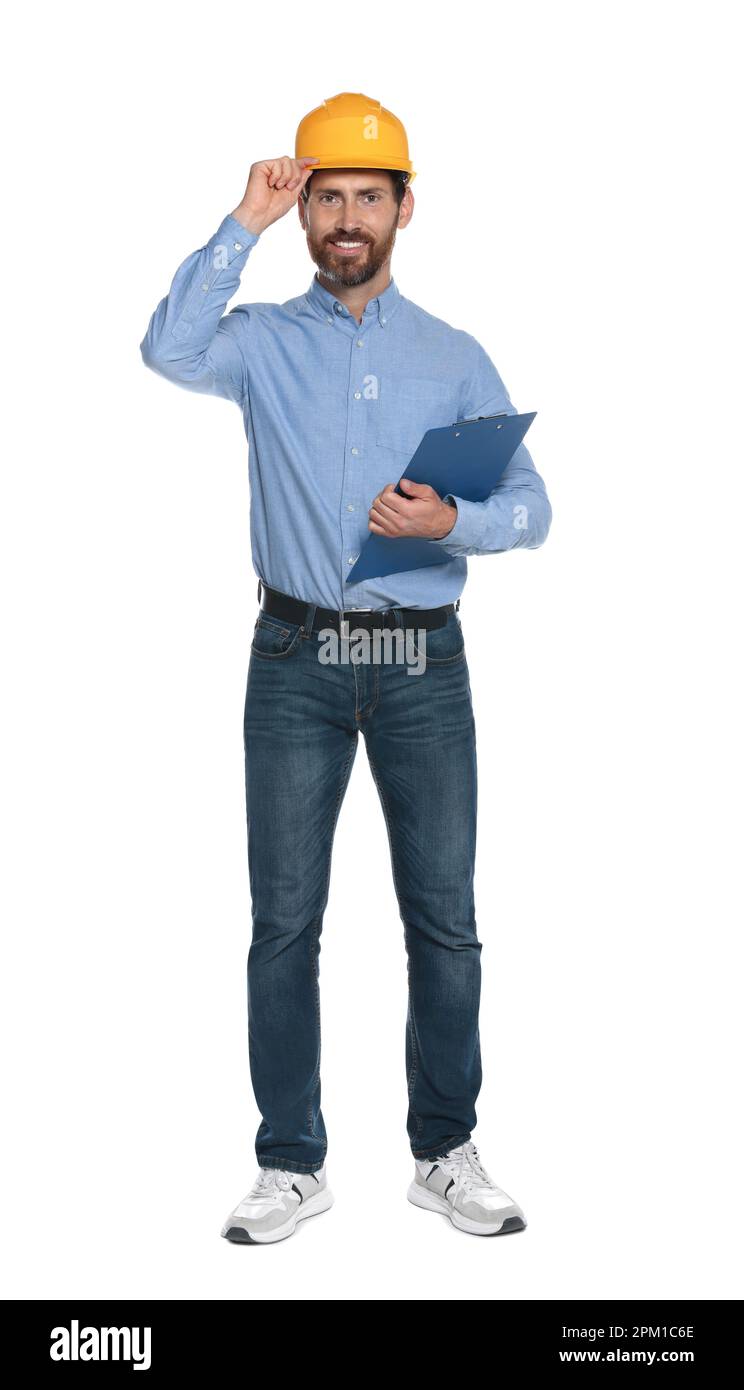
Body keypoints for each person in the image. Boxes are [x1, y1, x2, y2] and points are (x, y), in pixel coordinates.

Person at [140, 92, 551, 1244]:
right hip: (294, 656)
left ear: (404, 208)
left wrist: (451, 524)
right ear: (307, 210)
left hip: (421, 663)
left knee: (446, 921)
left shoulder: (454, 354)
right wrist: (240, 221)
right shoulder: (262, 343)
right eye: (327, 197)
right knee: (284, 921)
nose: (348, 216)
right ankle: (290, 1162)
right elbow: (166, 346)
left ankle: (445, 1149)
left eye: (368, 195)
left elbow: (534, 509)